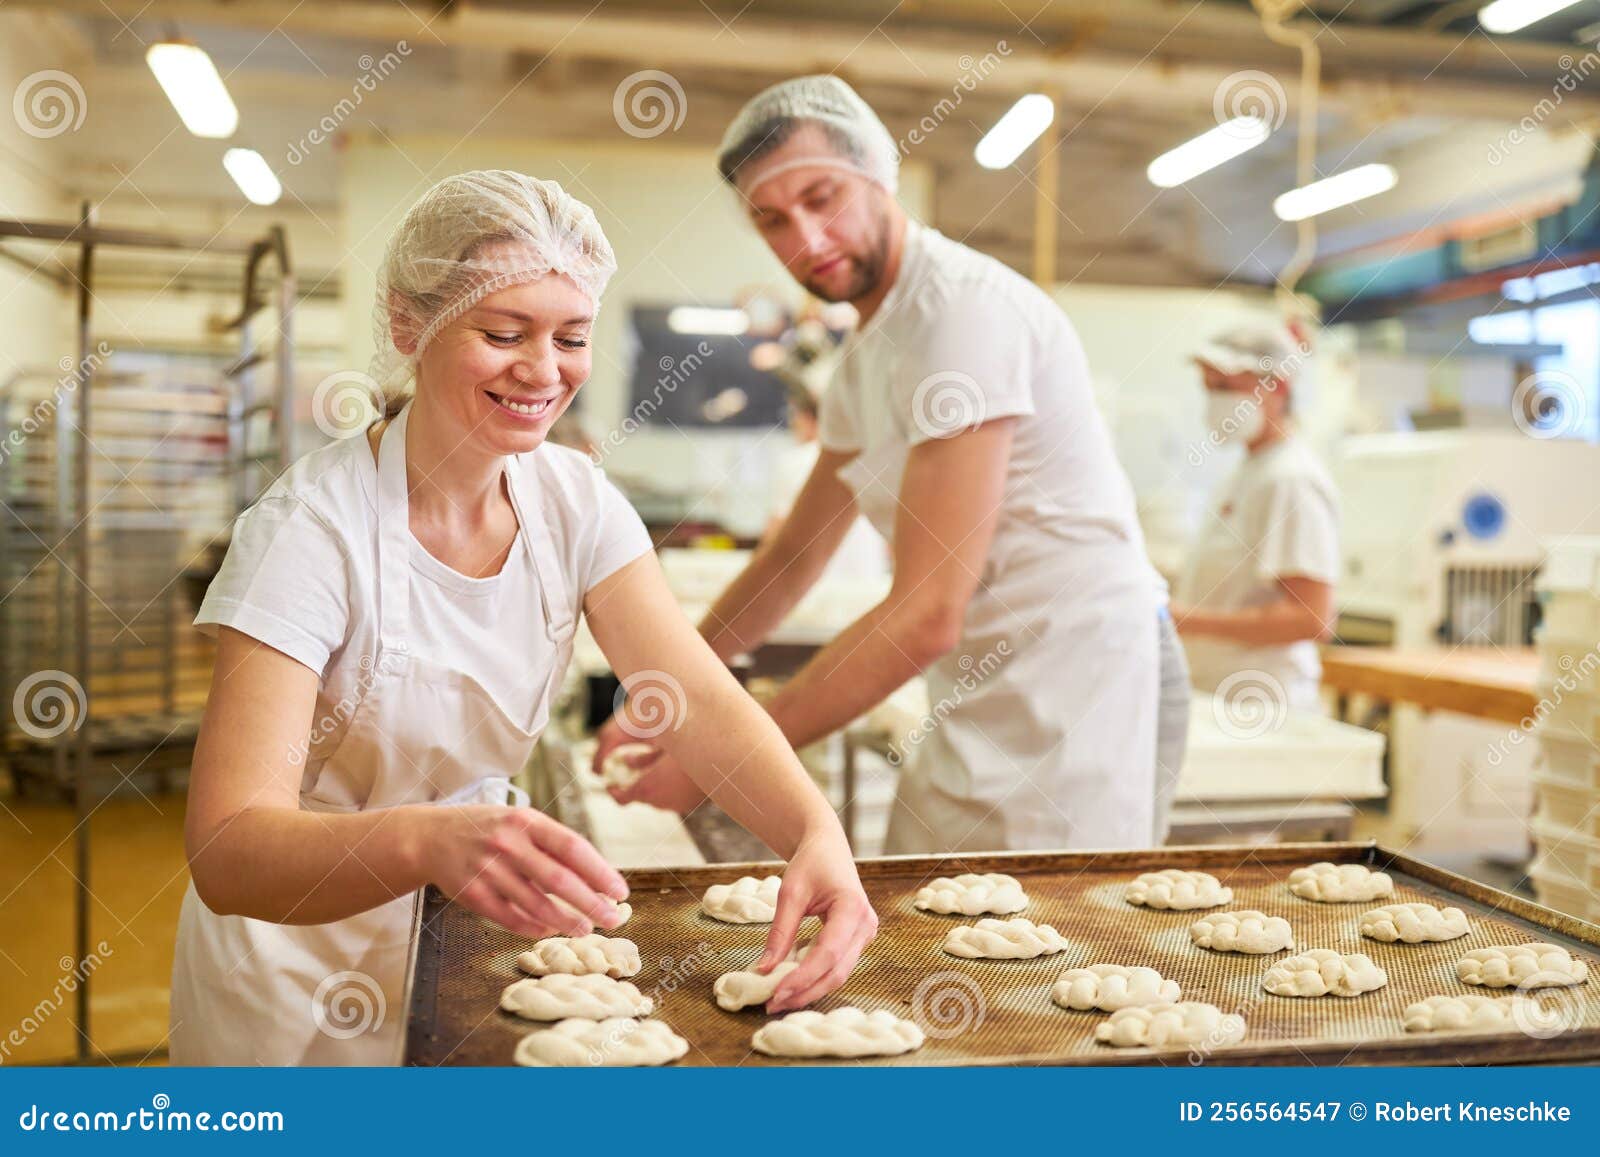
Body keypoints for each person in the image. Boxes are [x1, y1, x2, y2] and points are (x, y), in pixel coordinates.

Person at [169, 171, 875, 1065]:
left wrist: (816, 832)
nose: (544, 371)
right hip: (289, 974)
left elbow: (691, 695)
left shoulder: (575, 504)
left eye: (571, 338)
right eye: (504, 333)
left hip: (467, 946)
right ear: (406, 327)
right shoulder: (310, 533)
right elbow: (230, 848)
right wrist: (425, 838)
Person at [597, 77, 1183, 853]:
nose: (804, 238)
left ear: (880, 176)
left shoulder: (960, 315)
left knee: (1045, 941)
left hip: (1078, 680)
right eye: (771, 219)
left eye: (823, 196)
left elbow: (927, 611)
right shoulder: (867, 356)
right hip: (981, 679)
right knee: (937, 916)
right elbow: (795, 555)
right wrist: (663, 692)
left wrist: (725, 759)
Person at [1171, 323, 1340, 714]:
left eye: (1226, 388)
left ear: (1276, 388)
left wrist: (1189, 622)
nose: (1214, 401)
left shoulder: (1291, 479)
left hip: (1264, 706)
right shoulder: (1248, 472)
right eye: (1209, 388)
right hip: (1222, 699)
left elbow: (1311, 617)